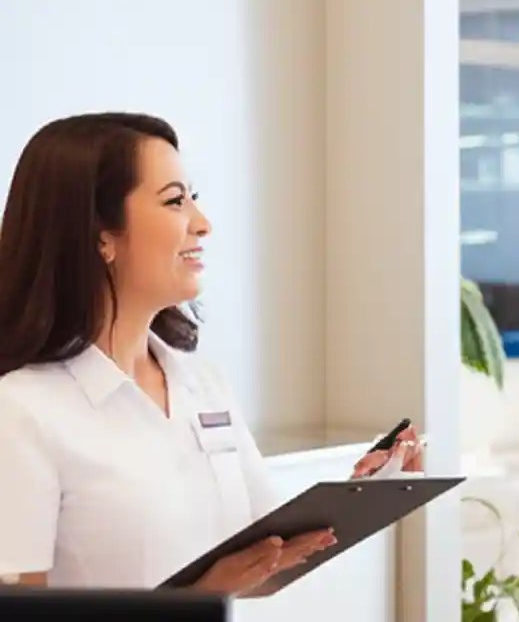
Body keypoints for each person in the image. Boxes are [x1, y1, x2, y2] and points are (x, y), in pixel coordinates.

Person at [0, 113, 422, 594]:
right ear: (101, 235)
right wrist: (195, 600)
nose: (202, 224)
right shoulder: (22, 411)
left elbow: (265, 559)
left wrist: (364, 493)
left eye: (193, 199)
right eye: (175, 201)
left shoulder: (201, 384)